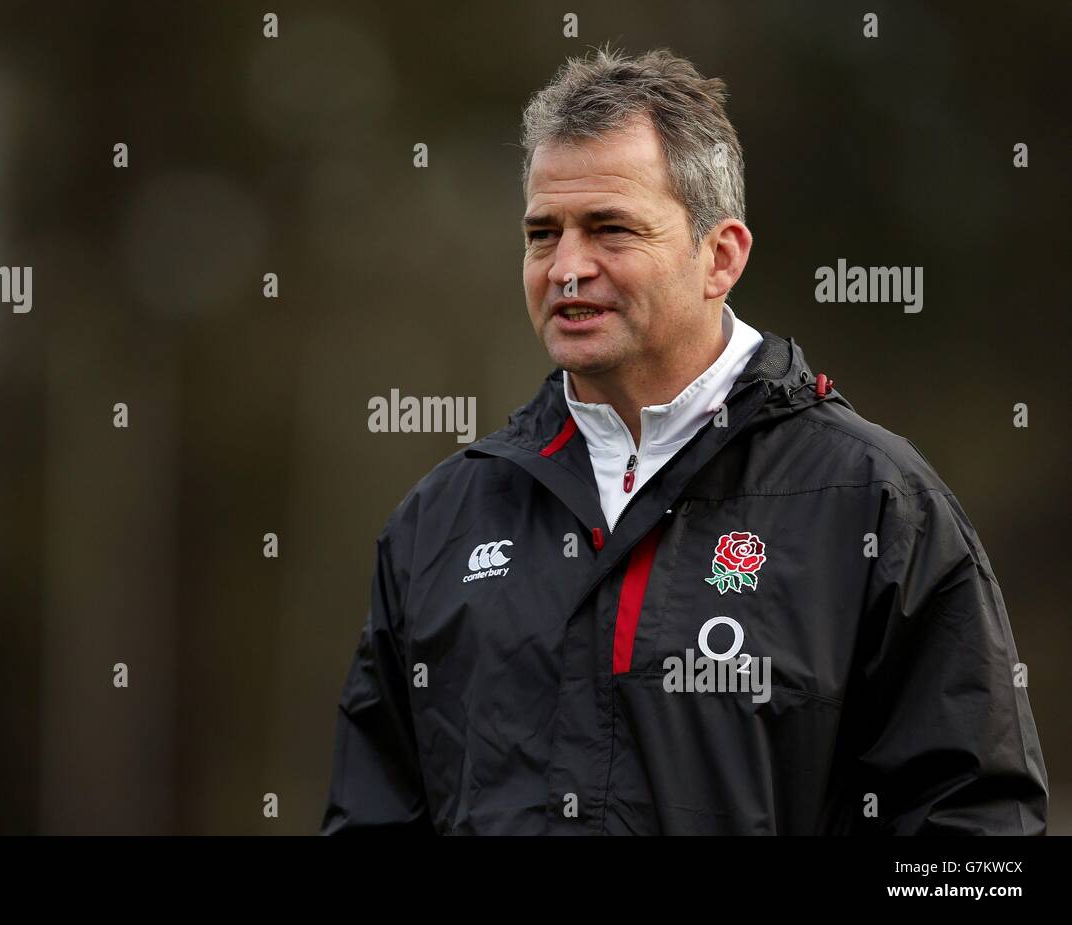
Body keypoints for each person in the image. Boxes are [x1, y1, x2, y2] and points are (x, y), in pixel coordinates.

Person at [320, 45, 1047, 835]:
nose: (566, 267)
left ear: (720, 256)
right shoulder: (440, 521)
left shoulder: (876, 505)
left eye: (609, 229)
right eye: (543, 233)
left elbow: (977, 837)